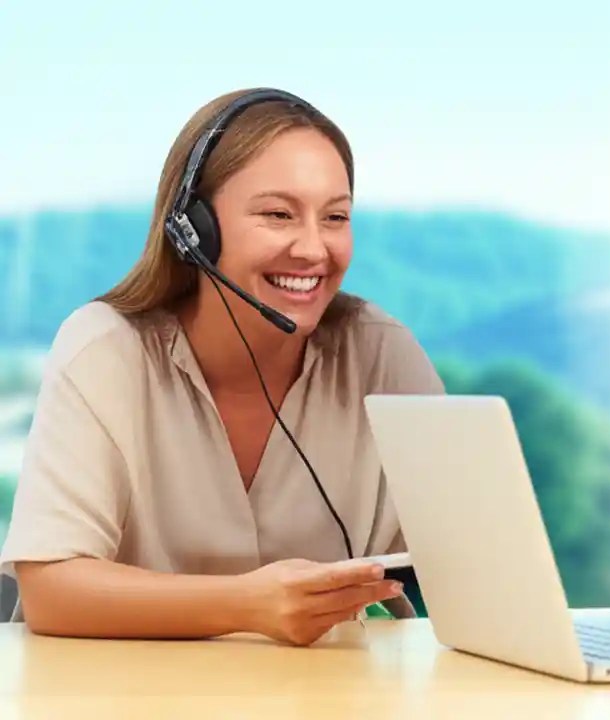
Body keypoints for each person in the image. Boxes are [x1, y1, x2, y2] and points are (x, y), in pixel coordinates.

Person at [0, 88, 445, 646]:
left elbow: (476, 553)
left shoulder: (381, 354)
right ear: (194, 230)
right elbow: (51, 590)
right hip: (127, 689)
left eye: (335, 217)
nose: (314, 249)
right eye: (278, 215)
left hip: (318, 692)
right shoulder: (105, 350)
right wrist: (248, 605)